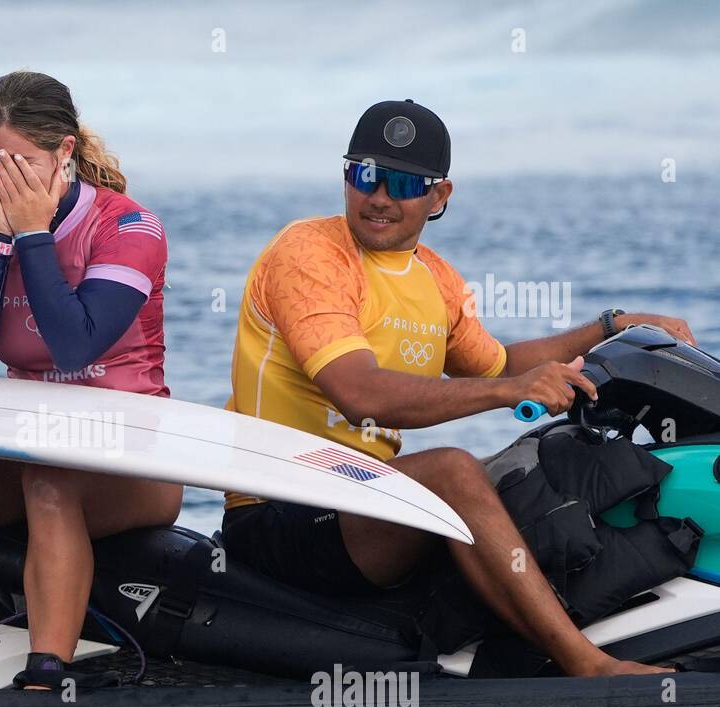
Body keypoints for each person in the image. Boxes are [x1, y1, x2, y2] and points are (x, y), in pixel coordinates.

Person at [222, 99, 698, 677]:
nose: (379, 197)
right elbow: (362, 394)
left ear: (440, 197)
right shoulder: (309, 254)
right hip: (280, 510)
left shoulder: (436, 279)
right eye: (364, 175)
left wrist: (609, 327)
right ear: (346, 175)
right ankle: (586, 663)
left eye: (402, 182)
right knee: (452, 470)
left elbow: (496, 366)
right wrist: (511, 390)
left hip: (364, 504)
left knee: (545, 463)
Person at [0, 71, 181, 692]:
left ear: (65, 153)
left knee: (51, 477)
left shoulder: (129, 229)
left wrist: (33, 235)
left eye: (21, 164)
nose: (4, 180)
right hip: (30, 445)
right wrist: (0, 240)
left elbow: (75, 343)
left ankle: (47, 675)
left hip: (134, 460)